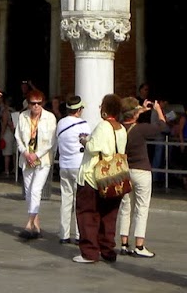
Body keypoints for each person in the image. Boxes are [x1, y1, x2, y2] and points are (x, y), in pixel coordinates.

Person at [75, 93, 128, 266]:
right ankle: (107, 249)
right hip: (115, 179)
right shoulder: (121, 128)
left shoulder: (103, 126)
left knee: (88, 214)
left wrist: (84, 140)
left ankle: (90, 252)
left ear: (105, 110)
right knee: (109, 216)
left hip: (95, 178)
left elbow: (93, 147)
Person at [117, 95, 161, 257]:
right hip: (141, 170)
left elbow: (130, 116)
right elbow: (162, 126)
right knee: (141, 208)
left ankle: (123, 243)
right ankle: (139, 246)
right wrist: (158, 110)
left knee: (125, 207)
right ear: (135, 113)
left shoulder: (119, 127)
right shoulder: (141, 129)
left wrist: (139, 110)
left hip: (124, 170)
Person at [14, 84, 56, 240]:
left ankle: (29, 224)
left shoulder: (50, 117)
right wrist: (25, 153)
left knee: (36, 190)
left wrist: (36, 154)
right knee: (28, 190)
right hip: (26, 158)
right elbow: (18, 136)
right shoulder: (23, 116)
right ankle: (36, 225)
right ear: (28, 103)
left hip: (42, 159)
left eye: (39, 103)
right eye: (33, 103)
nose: (36, 106)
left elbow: (51, 141)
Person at [56, 95, 91, 245]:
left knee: (66, 200)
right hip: (79, 165)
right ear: (78, 110)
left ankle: (64, 234)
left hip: (64, 164)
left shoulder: (61, 123)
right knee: (80, 202)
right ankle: (78, 234)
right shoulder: (84, 124)